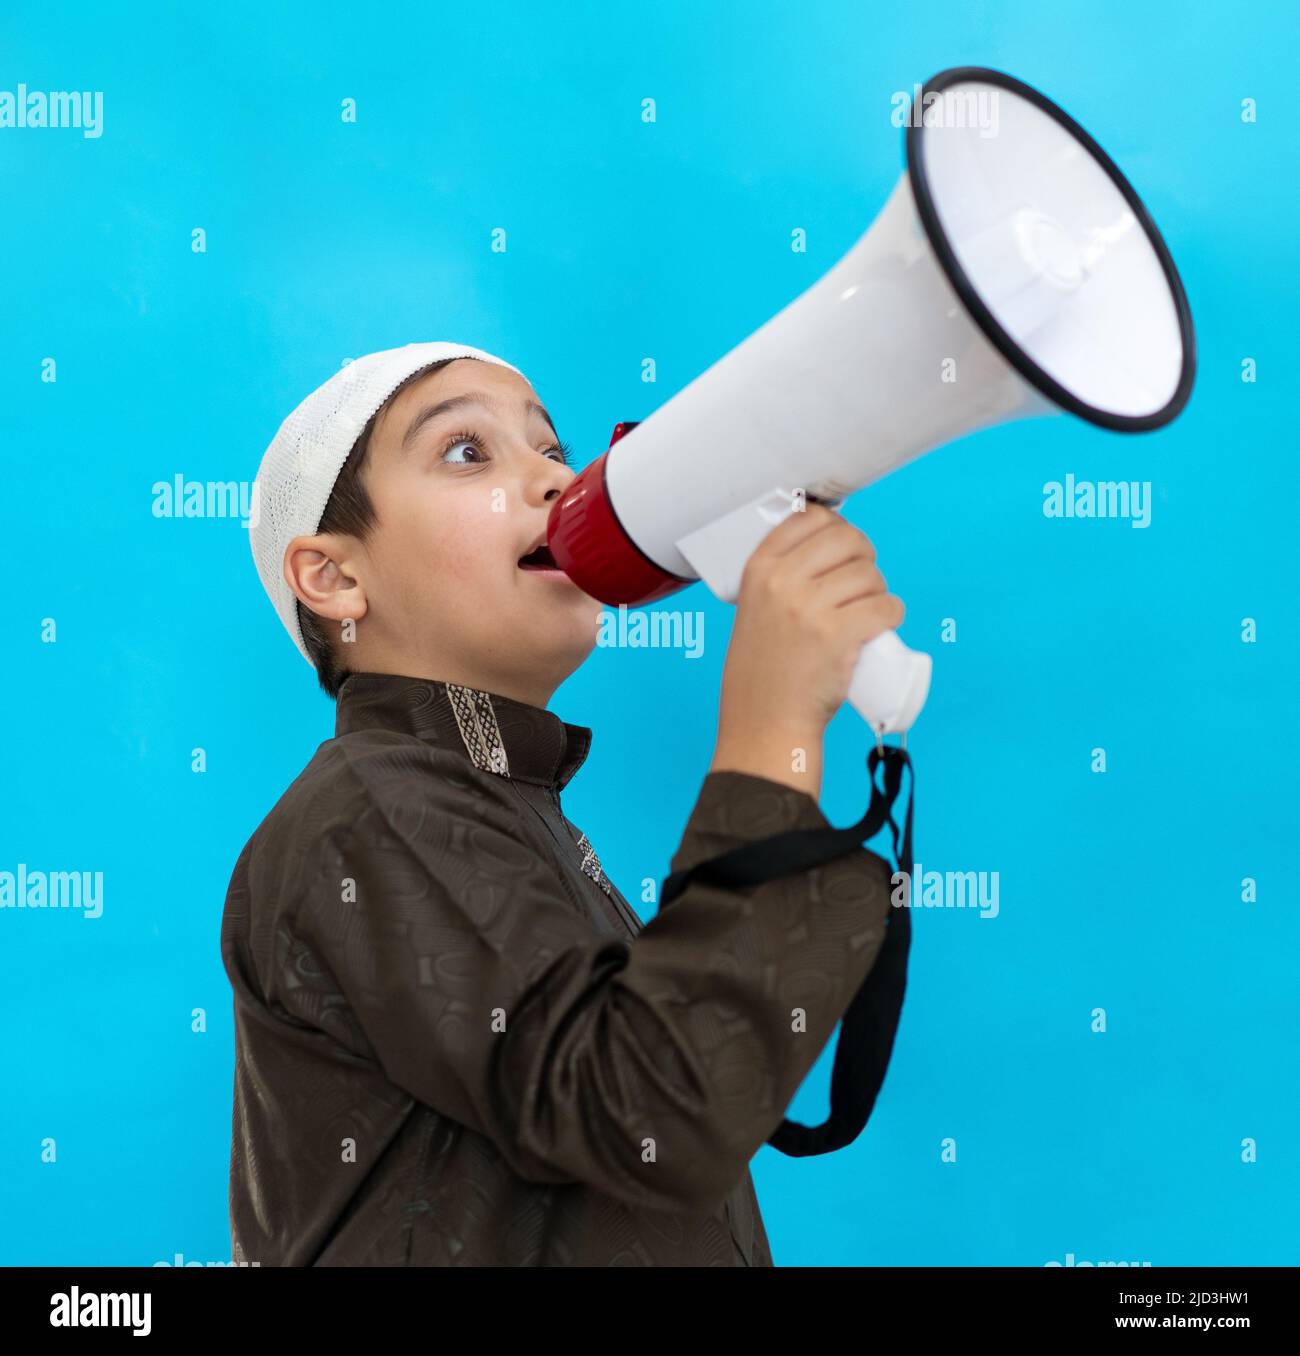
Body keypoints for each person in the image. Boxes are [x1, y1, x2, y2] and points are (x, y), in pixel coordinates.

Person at [221, 341, 906, 1266]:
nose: (555, 480)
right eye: (467, 451)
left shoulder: (490, 801)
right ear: (336, 577)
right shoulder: (373, 807)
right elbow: (654, 1109)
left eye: (552, 448)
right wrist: (773, 721)